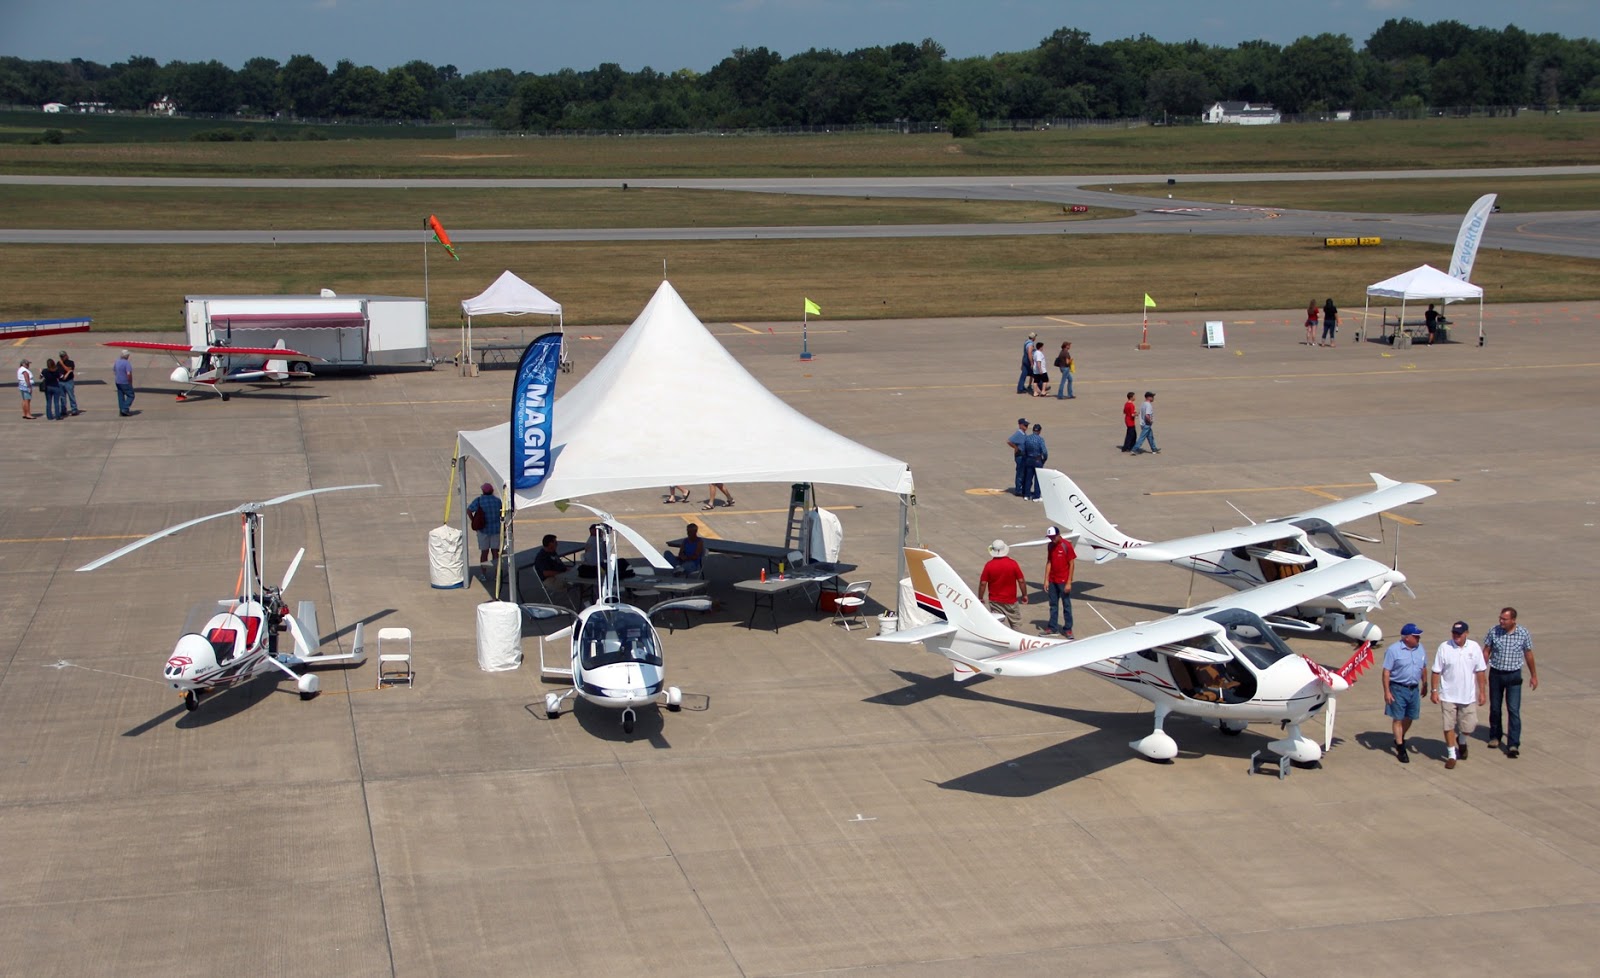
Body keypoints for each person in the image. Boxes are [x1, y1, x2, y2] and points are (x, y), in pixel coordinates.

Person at [1431, 619, 1487, 770]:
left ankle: (1461, 739)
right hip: (1448, 695)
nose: (1456, 636)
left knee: (1470, 725)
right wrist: (1434, 691)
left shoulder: (1474, 647)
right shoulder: (1444, 647)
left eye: (1459, 633)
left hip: (1467, 696)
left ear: (1466, 634)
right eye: (1454, 633)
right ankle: (1451, 755)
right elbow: (1436, 671)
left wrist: (1482, 692)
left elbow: (1480, 670)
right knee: (1448, 725)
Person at [1481, 606, 1536, 758]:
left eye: (1504, 619)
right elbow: (1486, 651)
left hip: (1514, 676)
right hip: (1496, 674)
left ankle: (1513, 743)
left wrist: (1534, 675)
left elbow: (1528, 654)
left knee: (1513, 710)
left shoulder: (1523, 633)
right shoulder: (1494, 631)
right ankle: (1495, 736)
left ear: (1513, 620)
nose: (1501, 621)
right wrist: (1481, 671)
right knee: (1495, 708)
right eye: (1500, 618)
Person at [1382, 623, 1430, 763]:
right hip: (1398, 688)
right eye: (1416, 636)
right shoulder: (1393, 650)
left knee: (1410, 716)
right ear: (1407, 638)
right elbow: (1386, 672)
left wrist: (1425, 683)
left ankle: (1400, 736)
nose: (1418, 638)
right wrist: (1387, 692)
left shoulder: (1420, 648)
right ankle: (1400, 747)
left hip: (1413, 688)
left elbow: (1424, 667)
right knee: (1398, 718)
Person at [978, 539, 1027, 627]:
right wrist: (1024, 595)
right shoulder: (1012, 564)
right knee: (1016, 624)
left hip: (995, 601)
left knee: (998, 625)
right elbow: (1021, 581)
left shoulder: (989, 565)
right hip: (1010, 600)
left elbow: (983, 583)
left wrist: (980, 597)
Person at [1042, 526, 1075, 637]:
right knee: (1053, 605)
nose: (1051, 539)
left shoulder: (1067, 545)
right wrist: (1046, 580)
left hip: (1063, 581)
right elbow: (1049, 562)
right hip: (1052, 580)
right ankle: (1052, 627)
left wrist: (1069, 582)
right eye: (1050, 537)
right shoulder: (1050, 546)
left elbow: (1071, 564)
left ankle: (1068, 629)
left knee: (1066, 605)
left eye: (1053, 537)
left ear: (1058, 535)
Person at [466, 483, 503, 570]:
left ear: (483, 491)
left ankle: (484, 574)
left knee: (484, 553)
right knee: (495, 553)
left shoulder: (479, 500)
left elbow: (469, 510)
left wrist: (473, 520)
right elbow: (502, 513)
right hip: (496, 530)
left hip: (483, 530)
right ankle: (496, 574)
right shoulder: (497, 501)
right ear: (492, 491)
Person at [1021, 423, 1047, 501]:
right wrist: (1044, 459)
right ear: (1039, 431)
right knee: (1038, 479)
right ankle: (1036, 496)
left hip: (1029, 459)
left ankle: (1026, 495)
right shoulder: (1040, 439)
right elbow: (1044, 452)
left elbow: (1023, 450)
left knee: (1028, 478)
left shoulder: (1027, 438)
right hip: (1037, 460)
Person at [1007, 417, 1029, 495]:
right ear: (1020, 425)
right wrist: (1016, 447)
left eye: (1027, 425)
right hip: (1020, 456)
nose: (1026, 427)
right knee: (1020, 473)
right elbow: (1009, 441)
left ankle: (1022, 488)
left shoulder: (1023, 433)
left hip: (1024, 456)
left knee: (1023, 472)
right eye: (1025, 425)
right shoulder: (1018, 433)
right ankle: (1018, 490)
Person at [113, 351, 135, 416]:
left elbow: (114, 371)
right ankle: (124, 409)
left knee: (121, 396)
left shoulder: (117, 362)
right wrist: (130, 382)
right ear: (127, 356)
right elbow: (128, 374)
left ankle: (121, 411)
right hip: (125, 382)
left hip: (118, 382)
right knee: (131, 395)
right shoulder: (127, 363)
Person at [57, 350, 79, 416]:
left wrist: (62, 364)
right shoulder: (58, 363)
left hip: (69, 381)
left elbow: (69, 370)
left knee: (71, 396)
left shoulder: (70, 362)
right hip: (61, 382)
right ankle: (63, 410)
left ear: (66, 356)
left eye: (63, 356)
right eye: (61, 356)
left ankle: (74, 409)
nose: (62, 358)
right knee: (62, 397)